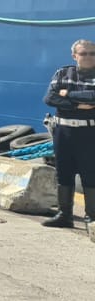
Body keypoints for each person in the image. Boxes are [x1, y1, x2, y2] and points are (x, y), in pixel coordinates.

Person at [42, 39, 95, 228]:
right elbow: (50, 98)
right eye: (83, 53)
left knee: (90, 173)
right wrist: (78, 105)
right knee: (64, 172)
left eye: (92, 53)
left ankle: (91, 217)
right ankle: (64, 215)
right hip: (63, 132)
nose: (88, 57)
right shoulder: (63, 73)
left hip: (89, 132)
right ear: (74, 56)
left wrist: (69, 95)